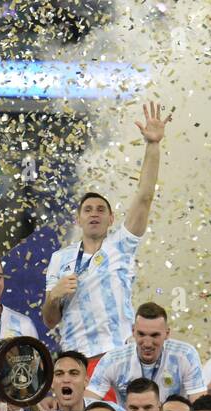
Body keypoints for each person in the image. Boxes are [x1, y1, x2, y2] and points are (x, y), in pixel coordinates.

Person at [43, 101, 170, 359]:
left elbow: (144, 196)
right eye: (87, 209)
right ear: (78, 220)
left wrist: (153, 145)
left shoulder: (121, 245)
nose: (94, 214)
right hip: (76, 356)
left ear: (111, 219)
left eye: (101, 210)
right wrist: (54, 296)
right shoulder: (61, 258)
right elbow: (49, 321)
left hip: (119, 352)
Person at [85, 302, 206, 404]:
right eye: (141, 334)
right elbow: (88, 401)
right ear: (133, 332)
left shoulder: (185, 355)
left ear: (167, 333)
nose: (147, 343)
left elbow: (200, 406)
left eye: (155, 335)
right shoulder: (113, 360)